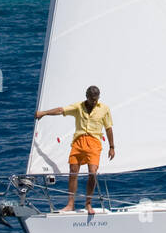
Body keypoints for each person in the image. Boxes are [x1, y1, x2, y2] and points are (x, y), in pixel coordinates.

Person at [35, 84, 115, 215]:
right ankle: (70, 204)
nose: (94, 102)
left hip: (94, 142)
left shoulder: (104, 109)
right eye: (91, 99)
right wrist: (44, 113)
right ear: (87, 97)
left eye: (96, 99)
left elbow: (108, 128)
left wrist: (112, 147)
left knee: (93, 172)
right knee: (73, 172)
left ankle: (88, 203)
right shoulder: (78, 107)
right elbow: (61, 110)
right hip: (78, 142)